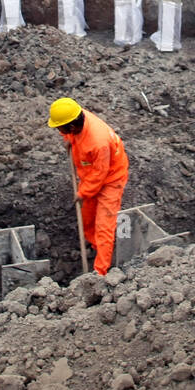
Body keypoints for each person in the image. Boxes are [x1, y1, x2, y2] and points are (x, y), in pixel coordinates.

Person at [47, 97, 128, 276]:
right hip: (90, 173)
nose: (59, 132)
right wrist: (69, 139)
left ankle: (100, 273)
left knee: (104, 226)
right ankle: (94, 245)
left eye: (61, 129)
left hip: (111, 178)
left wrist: (83, 192)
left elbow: (100, 174)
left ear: (72, 126)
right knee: (87, 216)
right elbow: (69, 132)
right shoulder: (75, 117)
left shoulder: (98, 142)